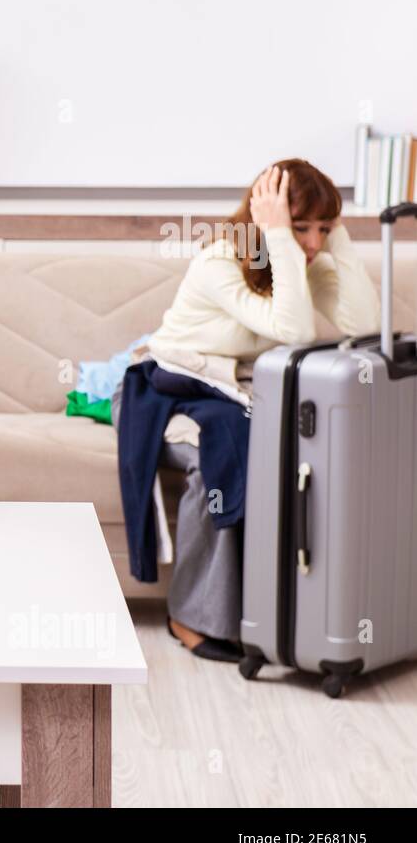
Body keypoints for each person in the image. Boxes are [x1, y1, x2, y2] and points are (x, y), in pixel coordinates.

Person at [113, 160, 380, 661]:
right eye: (302, 227)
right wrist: (279, 233)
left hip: (234, 395)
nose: (314, 242)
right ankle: (189, 616)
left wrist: (334, 234)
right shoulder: (220, 262)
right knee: (221, 453)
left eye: (324, 228)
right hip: (166, 388)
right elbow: (294, 330)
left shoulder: (306, 259)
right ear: (265, 216)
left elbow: (362, 322)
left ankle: (271, 610)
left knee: (261, 442)